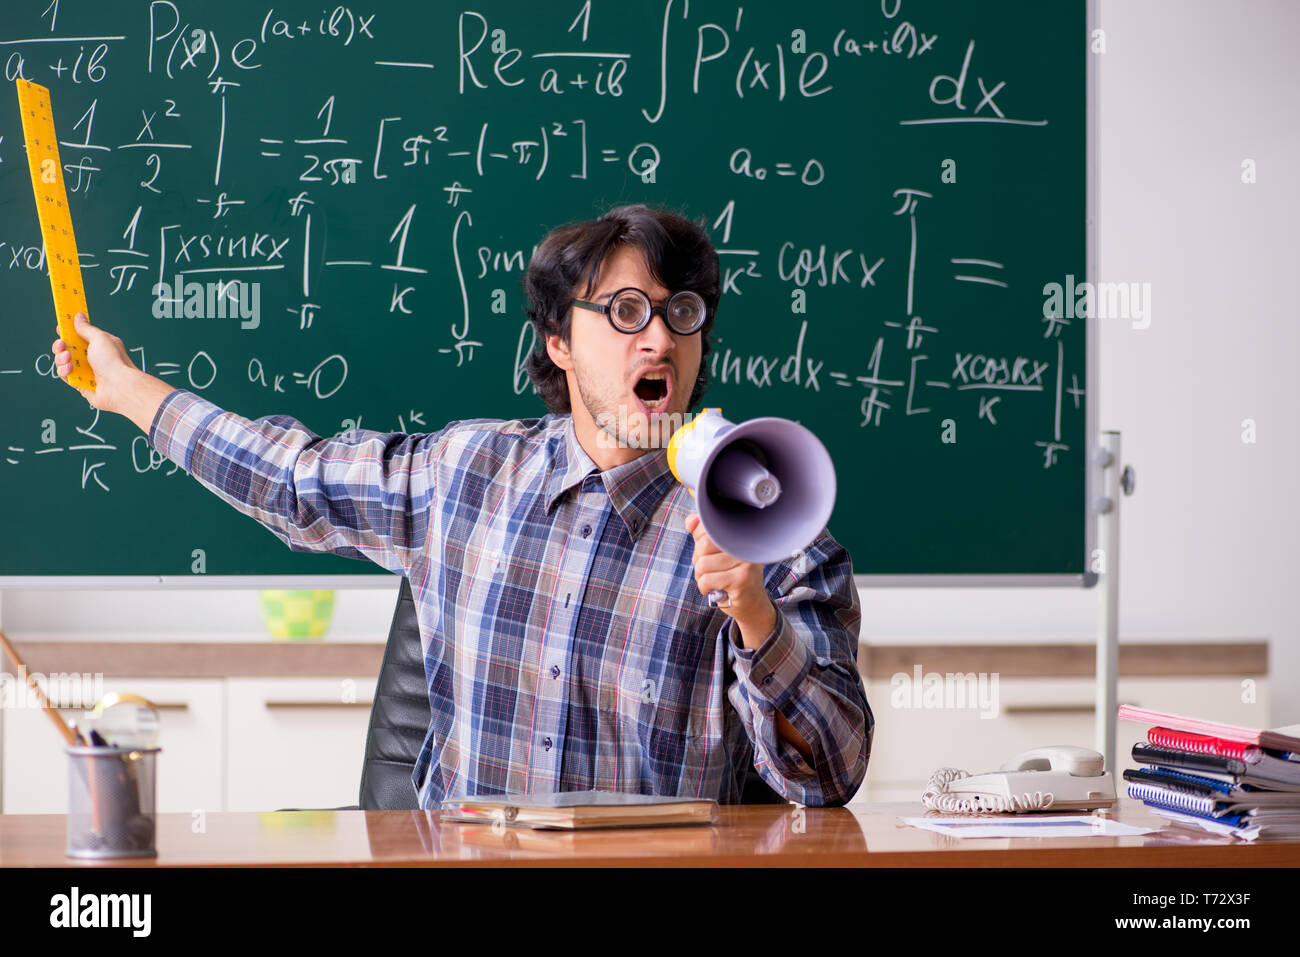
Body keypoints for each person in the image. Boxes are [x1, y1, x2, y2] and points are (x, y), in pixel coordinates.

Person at [51, 204, 873, 807]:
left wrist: (758, 619)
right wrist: (126, 390)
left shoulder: (777, 538)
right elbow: (290, 477)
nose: (659, 338)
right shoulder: (464, 472)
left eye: (681, 315)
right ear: (558, 340)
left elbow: (832, 778)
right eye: (626, 312)